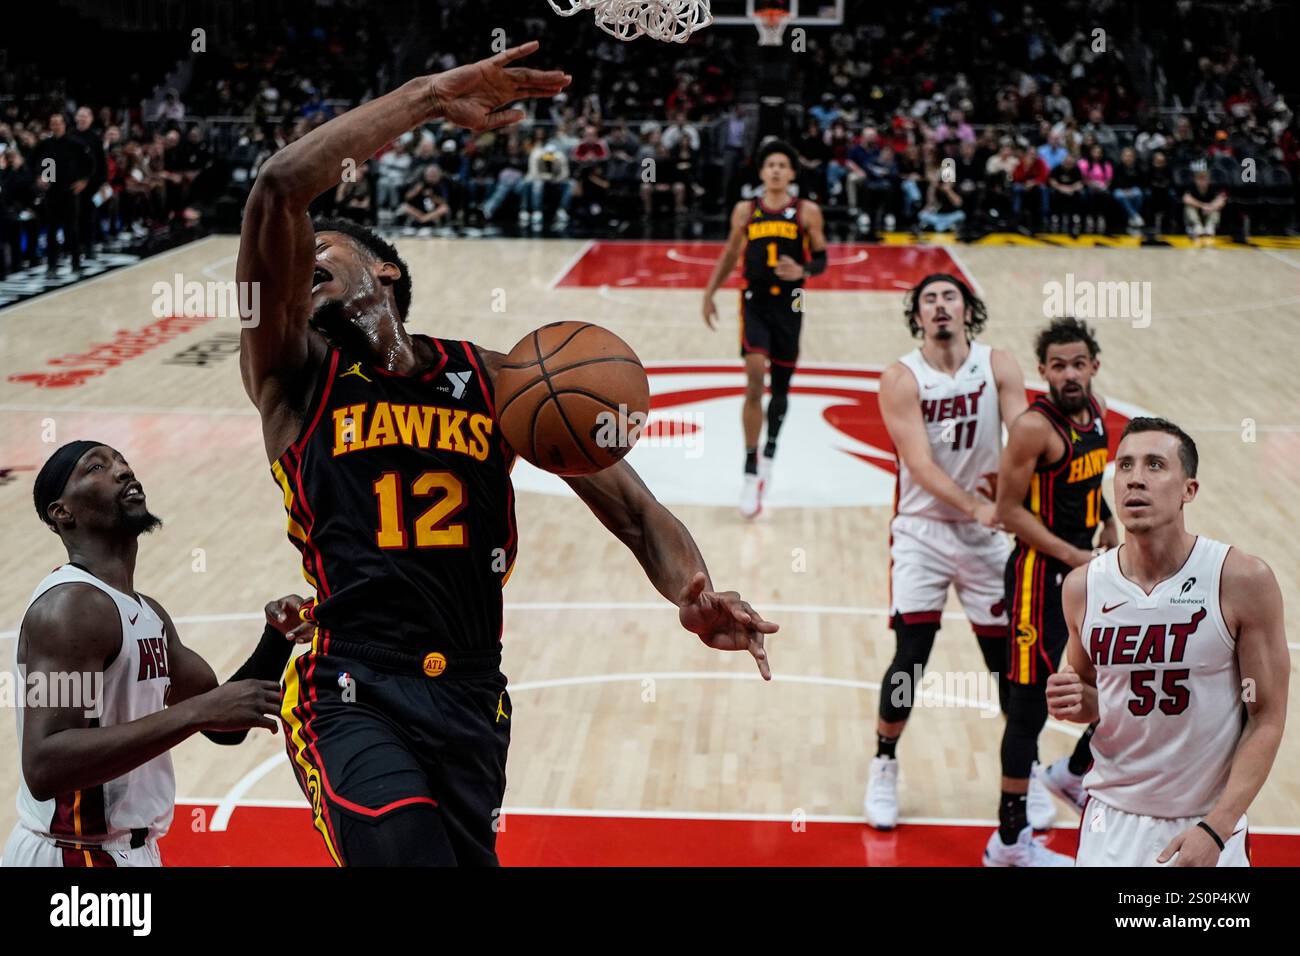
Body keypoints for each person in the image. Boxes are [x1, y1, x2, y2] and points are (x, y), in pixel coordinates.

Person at [235, 41, 778, 867]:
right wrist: (425, 97)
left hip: (470, 692)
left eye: (323, 260)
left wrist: (691, 589)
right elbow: (278, 188)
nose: (300, 275)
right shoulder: (295, 381)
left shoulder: (498, 379)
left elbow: (634, 511)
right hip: (353, 686)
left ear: (383, 270)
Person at [2, 441, 298, 867]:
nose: (123, 471)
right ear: (61, 512)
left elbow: (223, 725)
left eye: (122, 461)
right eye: (96, 467)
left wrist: (277, 637)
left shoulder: (145, 612)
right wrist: (197, 712)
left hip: (129, 852)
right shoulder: (69, 608)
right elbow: (46, 765)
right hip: (74, 854)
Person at [1048, 419, 1289, 866]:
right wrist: (1073, 697)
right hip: (1109, 823)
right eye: (1125, 466)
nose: (1135, 477)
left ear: (1188, 490)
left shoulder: (1240, 580)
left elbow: (1267, 718)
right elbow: (1093, 699)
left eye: (1155, 465)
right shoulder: (1083, 587)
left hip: (1203, 825)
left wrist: (1217, 828)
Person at [863, 274, 1027, 830]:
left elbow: (1024, 437)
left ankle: (1022, 777)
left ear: (967, 309)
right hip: (923, 530)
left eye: (948, 297)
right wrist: (978, 505)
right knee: (912, 655)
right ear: (917, 316)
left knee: (1007, 664)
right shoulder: (901, 377)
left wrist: (1008, 493)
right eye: (928, 300)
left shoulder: (998, 364)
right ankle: (884, 764)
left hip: (984, 537)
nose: (938, 307)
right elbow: (920, 464)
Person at [984, 318, 1116, 866]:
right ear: (1043, 371)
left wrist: (1106, 519)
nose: (1068, 373)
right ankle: (1008, 841)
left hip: (1086, 573)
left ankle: (1069, 775)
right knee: (1029, 707)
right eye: (1057, 365)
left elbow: (1086, 483)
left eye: (1077, 363)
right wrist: (1075, 554)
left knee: (1114, 685)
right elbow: (1007, 511)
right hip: (1040, 580)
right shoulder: (1036, 428)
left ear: (1092, 366)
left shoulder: (1099, 412)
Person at [700, 139, 828, 519]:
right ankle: (750, 465)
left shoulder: (806, 211)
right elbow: (729, 254)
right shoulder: (746, 210)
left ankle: (770, 450)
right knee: (755, 374)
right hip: (754, 300)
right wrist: (709, 293)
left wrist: (803, 270)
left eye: (781, 165)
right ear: (761, 172)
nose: (775, 170)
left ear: (790, 173)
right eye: (769, 164)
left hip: (791, 302)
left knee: (782, 386)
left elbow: (821, 258)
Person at [32, 113, 94, 275]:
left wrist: (84, 181)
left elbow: (90, 163)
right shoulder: (45, 144)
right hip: (52, 192)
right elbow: (33, 162)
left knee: (71, 229)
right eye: (52, 123)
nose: (56, 126)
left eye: (58, 123)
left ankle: (76, 263)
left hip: (70, 191)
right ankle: (52, 265)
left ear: (64, 125)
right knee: (51, 230)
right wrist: (39, 177)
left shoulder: (75, 143)